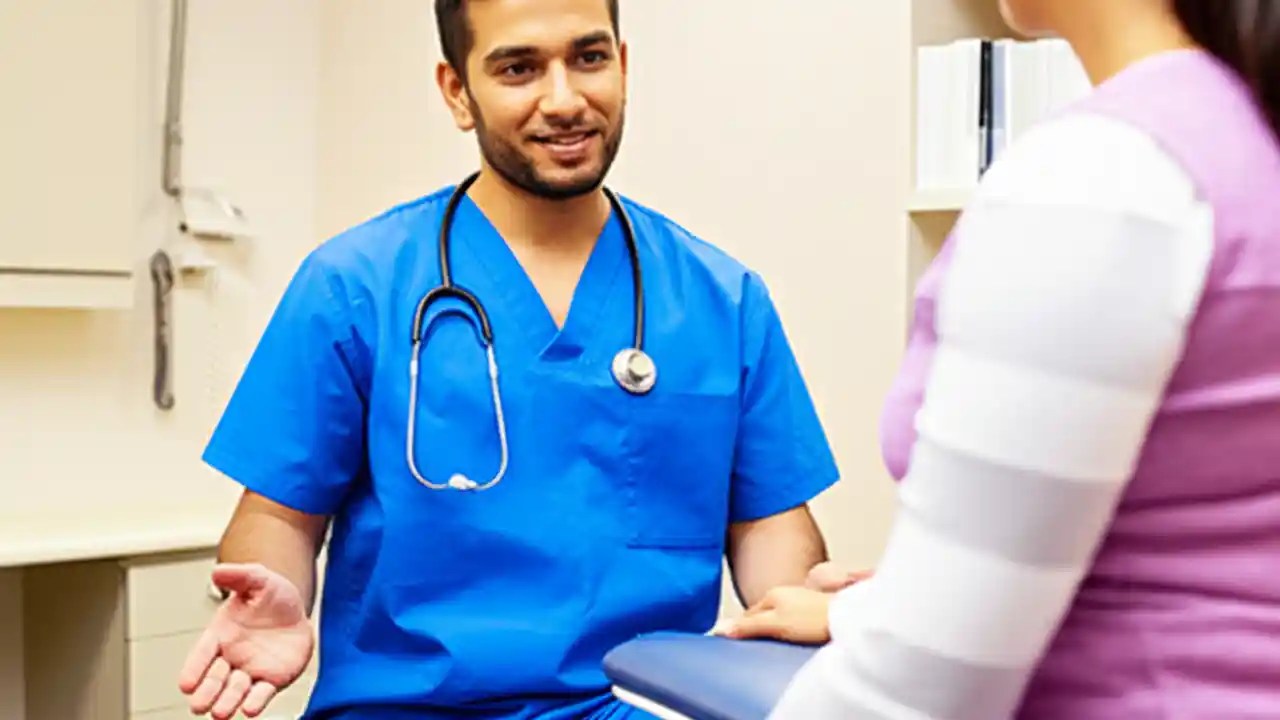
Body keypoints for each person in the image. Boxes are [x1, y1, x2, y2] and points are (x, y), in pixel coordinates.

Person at [175, 1, 841, 718]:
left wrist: (821, 611)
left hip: (639, 705)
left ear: (624, 65)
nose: (564, 100)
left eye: (588, 58)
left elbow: (770, 527)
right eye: (519, 68)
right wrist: (273, 590)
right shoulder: (355, 285)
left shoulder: (722, 299)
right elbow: (279, 515)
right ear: (458, 91)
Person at [717, 0, 1280, 718]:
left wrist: (912, 630)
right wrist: (883, 610)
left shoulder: (1101, 178)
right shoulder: (1244, 128)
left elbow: (915, 693)